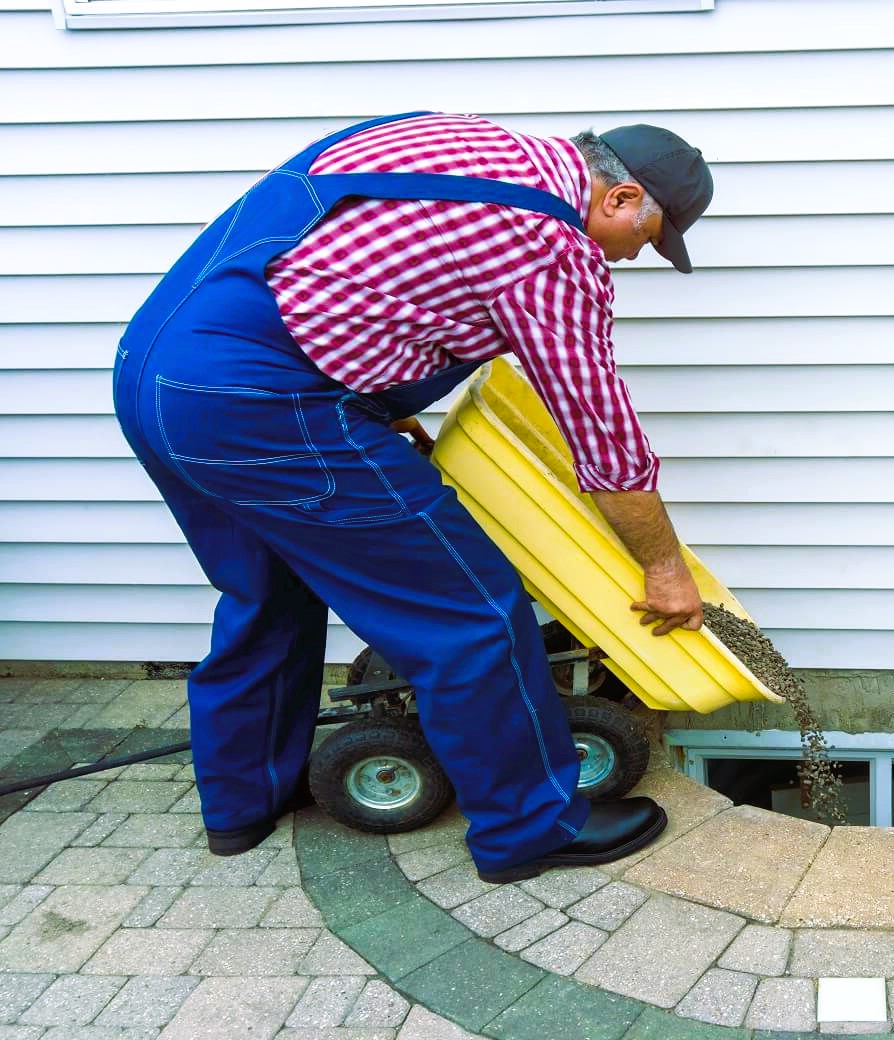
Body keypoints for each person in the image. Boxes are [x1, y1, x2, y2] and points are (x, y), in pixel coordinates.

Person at [111, 112, 714, 884]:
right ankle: (531, 827)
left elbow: (335, 260)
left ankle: (242, 805)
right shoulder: (553, 245)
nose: (633, 255)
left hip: (159, 370)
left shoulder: (458, 140)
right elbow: (601, 435)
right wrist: (663, 566)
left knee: (268, 594)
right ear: (621, 197)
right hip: (264, 402)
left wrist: (375, 392)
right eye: (648, 238)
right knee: (472, 610)